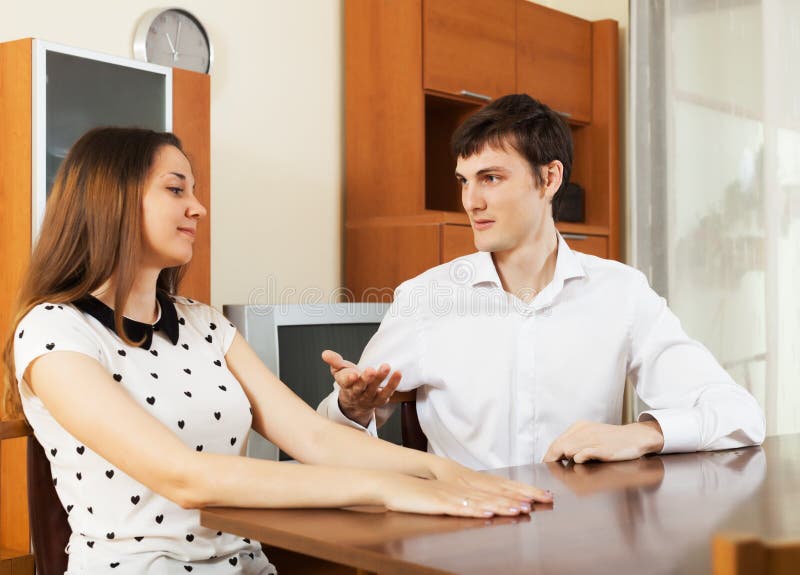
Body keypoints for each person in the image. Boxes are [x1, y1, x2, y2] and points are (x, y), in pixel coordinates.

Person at [1, 127, 551, 575]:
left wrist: (440, 473)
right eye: (176, 190)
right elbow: (182, 476)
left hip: (247, 565)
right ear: (111, 198)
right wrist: (388, 490)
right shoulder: (53, 333)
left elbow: (310, 435)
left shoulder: (202, 322)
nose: (198, 208)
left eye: (193, 191)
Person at [317, 94, 766, 470]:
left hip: (580, 543)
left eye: (490, 178)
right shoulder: (424, 298)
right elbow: (330, 439)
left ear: (549, 178)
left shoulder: (621, 293)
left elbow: (740, 415)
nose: (471, 201)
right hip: (460, 546)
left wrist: (643, 433)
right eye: (464, 181)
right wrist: (352, 409)